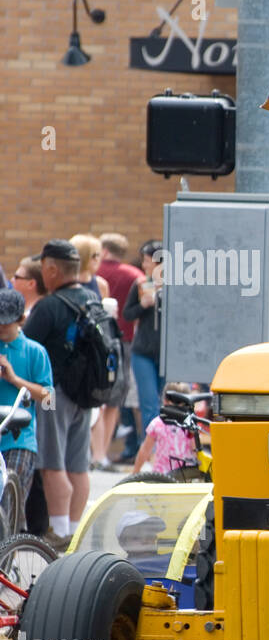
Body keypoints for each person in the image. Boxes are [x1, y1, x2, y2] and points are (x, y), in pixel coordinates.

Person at [24, 239, 100, 549]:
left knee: (53, 462)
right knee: (77, 465)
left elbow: (26, 345)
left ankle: (57, 532)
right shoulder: (92, 298)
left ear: (52, 269)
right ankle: (73, 529)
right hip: (87, 394)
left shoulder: (50, 306)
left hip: (53, 393)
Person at [0, 290, 52, 532]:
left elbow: (48, 397)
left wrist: (14, 378)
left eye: (6, 321)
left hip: (20, 437)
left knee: (11, 500)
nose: (1, 326)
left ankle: (9, 551)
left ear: (20, 319)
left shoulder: (35, 351)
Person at [91, 234, 143, 469]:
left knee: (97, 400)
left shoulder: (93, 273)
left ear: (103, 251)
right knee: (114, 399)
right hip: (125, 342)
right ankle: (102, 454)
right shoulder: (135, 276)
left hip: (95, 341)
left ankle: (96, 453)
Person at [124, 242, 165, 443]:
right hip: (143, 351)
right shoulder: (141, 284)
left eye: (147, 260)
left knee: (165, 403)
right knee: (148, 403)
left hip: (168, 353)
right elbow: (127, 313)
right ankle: (150, 449)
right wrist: (143, 305)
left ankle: (166, 447)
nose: (144, 265)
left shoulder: (176, 286)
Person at [132, 383, 198, 475]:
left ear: (165, 401)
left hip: (161, 475)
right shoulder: (189, 424)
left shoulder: (157, 423)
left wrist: (135, 471)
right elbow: (196, 450)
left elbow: (145, 450)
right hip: (185, 474)